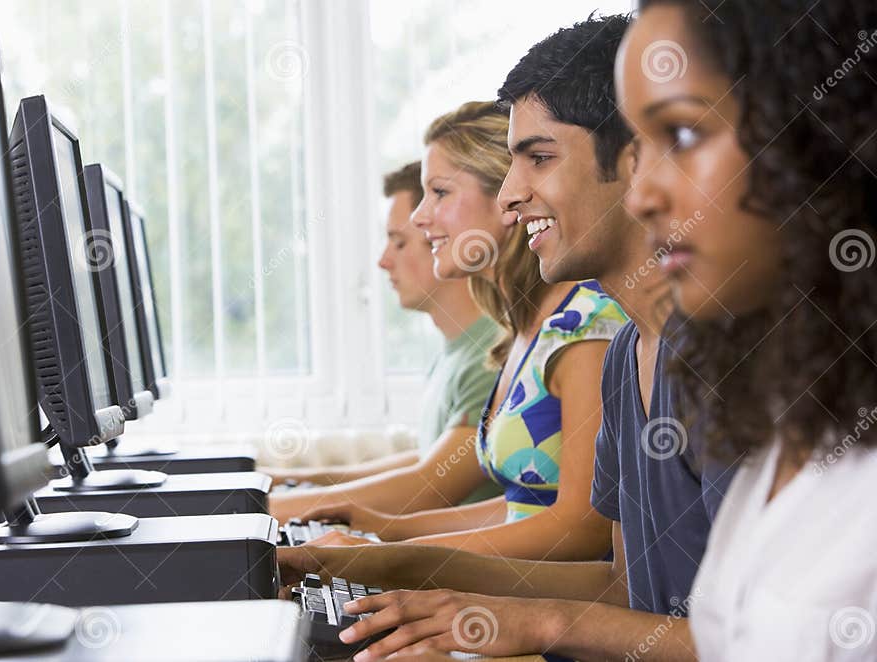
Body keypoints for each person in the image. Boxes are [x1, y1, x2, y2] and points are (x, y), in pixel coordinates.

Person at [277, 15, 736, 661]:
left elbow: (776, 642)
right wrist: (399, 571)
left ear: (635, 161)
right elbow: (624, 590)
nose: (512, 196)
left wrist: (539, 624)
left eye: (540, 159)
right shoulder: (628, 358)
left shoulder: (730, 363)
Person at [620, 1, 877, 659]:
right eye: (635, 147)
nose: (640, 195)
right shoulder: (796, 414)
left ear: (815, 130)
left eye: (679, 135)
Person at [300, 100, 626, 562]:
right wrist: (389, 532)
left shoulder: (587, 326)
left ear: (504, 197)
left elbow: (579, 530)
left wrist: (393, 555)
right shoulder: (525, 332)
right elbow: (522, 511)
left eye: (439, 193)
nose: (419, 218)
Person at [269, 161, 503, 520]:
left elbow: (428, 486)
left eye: (398, 242)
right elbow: (429, 458)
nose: (382, 261)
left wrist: (260, 509)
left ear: (441, 235)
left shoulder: (490, 353)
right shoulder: (456, 350)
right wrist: (302, 480)